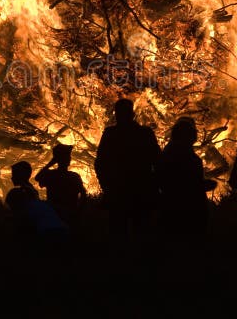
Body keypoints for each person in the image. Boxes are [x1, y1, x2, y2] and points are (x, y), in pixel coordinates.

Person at [94, 98, 161, 236]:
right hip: (139, 191)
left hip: (121, 192)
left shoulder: (111, 134)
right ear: (132, 114)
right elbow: (158, 161)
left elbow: (100, 163)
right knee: (140, 232)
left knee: (120, 232)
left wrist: (106, 185)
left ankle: (122, 255)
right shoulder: (145, 133)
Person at [155, 117, 217, 236]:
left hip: (169, 210)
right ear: (190, 136)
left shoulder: (166, 154)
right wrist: (208, 185)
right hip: (189, 212)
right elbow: (192, 186)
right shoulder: (191, 159)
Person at [5, 160, 67, 240]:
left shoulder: (22, 192)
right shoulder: (29, 190)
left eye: (14, 174)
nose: (12, 177)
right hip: (59, 228)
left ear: (21, 175)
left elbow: (25, 216)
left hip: (48, 232)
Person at [33, 143, 87, 229]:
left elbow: (37, 178)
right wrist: (78, 211)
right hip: (69, 215)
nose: (69, 158)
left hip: (54, 216)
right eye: (67, 156)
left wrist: (50, 163)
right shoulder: (73, 176)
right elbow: (84, 195)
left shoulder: (51, 174)